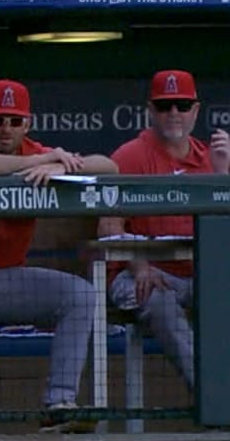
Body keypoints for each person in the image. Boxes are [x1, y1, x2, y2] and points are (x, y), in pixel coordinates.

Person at [0, 80, 116, 432]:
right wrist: (41, 158)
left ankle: (59, 403)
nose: (6, 128)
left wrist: (63, 167)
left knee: (80, 294)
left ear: (28, 124)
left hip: (7, 282)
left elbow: (109, 166)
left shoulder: (38, 152)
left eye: (14, 120)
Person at [98, 70, 230, 392]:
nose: (174, 113)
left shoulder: (211, 158)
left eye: (182, 105)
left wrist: (222, 175)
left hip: (198, 274)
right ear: (150, 110)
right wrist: (140, 265)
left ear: (196, 111)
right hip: (141, 274)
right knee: (158, 300)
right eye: (165, 105)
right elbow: (108, 225)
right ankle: (213, 394)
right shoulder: (130, 156)